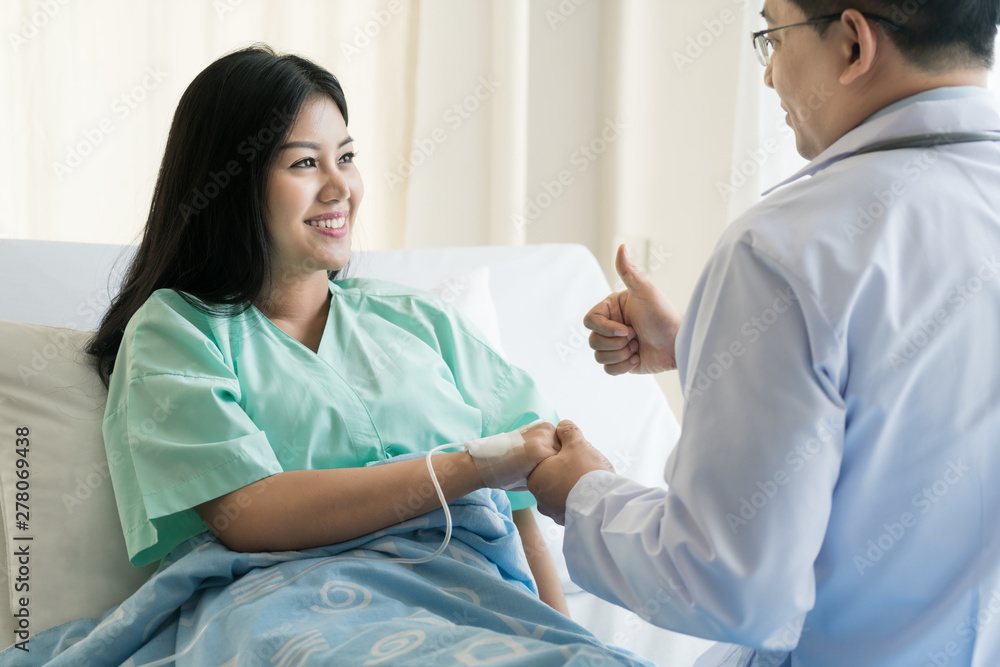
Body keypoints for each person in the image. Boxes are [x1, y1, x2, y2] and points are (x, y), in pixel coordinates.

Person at [527, 0, 1000, 664]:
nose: (771, 75)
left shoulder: (785, 249)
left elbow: (731, 587)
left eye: (773, 35)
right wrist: (706, 345)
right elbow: (913, 400)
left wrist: (581, 494)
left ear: (853, 45)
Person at [86, 44, 569, 616]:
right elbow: (250, 513)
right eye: (304, 163)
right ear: (230, 185)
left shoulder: (421, 321)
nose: (340, 187)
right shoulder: (175, 331)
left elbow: (523, 510)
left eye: (346, 156)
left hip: (480, 608)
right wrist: (474, 466)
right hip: (292, 615)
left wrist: (568, 635)